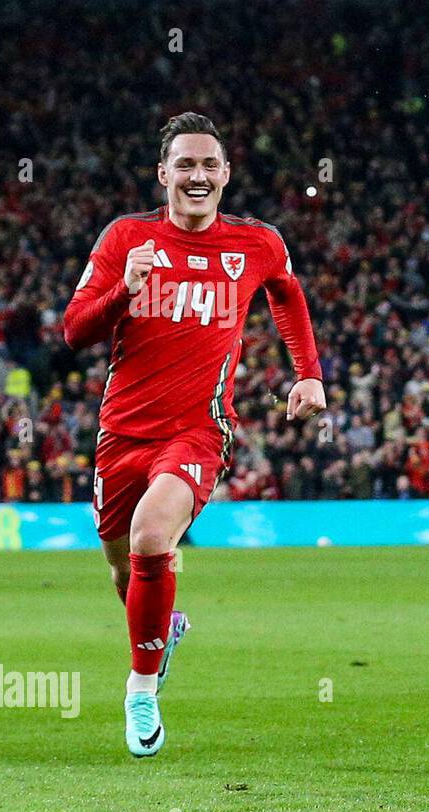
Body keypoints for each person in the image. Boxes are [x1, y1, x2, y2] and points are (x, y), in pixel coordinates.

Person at [63, 112, 326, 756]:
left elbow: (287, 295)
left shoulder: (257, 243)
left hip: (198, 430)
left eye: (209, 164)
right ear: (163, 175)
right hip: (121, 434)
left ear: (227, 174)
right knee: (128, 577)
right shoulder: (126, 238)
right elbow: (74, 331)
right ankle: (162, 629)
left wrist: (308, 375)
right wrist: (125, 290)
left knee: (155, 537)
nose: (198, 175)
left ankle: (141, 690)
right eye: (185, 164)